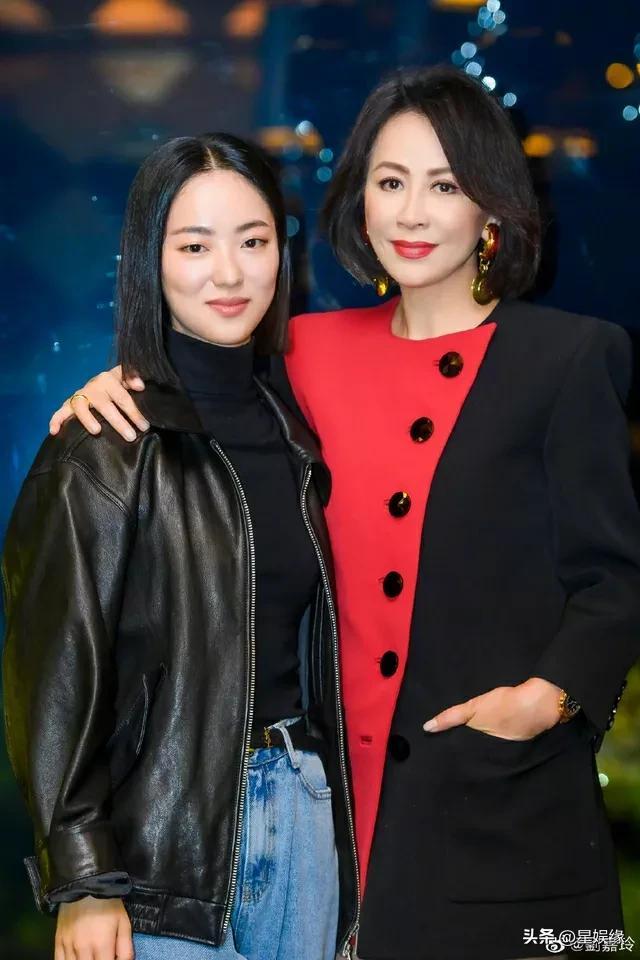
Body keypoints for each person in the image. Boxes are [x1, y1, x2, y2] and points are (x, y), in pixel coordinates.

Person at [46, 67, 640, 960]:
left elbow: (614, 579)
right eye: (390, 182)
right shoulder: (304, 354)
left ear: (492, 208)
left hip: (502, 805)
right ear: (359, 200)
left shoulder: (568, 358)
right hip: (329, 818)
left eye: (445, 186)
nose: (412, 214)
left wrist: (544, 702)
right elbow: (202, 380)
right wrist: (113, 384)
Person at [3, 133, 359, 960]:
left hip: (306, 821)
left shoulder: (297, 430)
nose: (229, 273)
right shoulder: (103, 445)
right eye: (194, 246)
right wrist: (83, 879)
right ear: (148, 261)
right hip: (158, 854)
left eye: (253, 241)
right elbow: (51, 677)